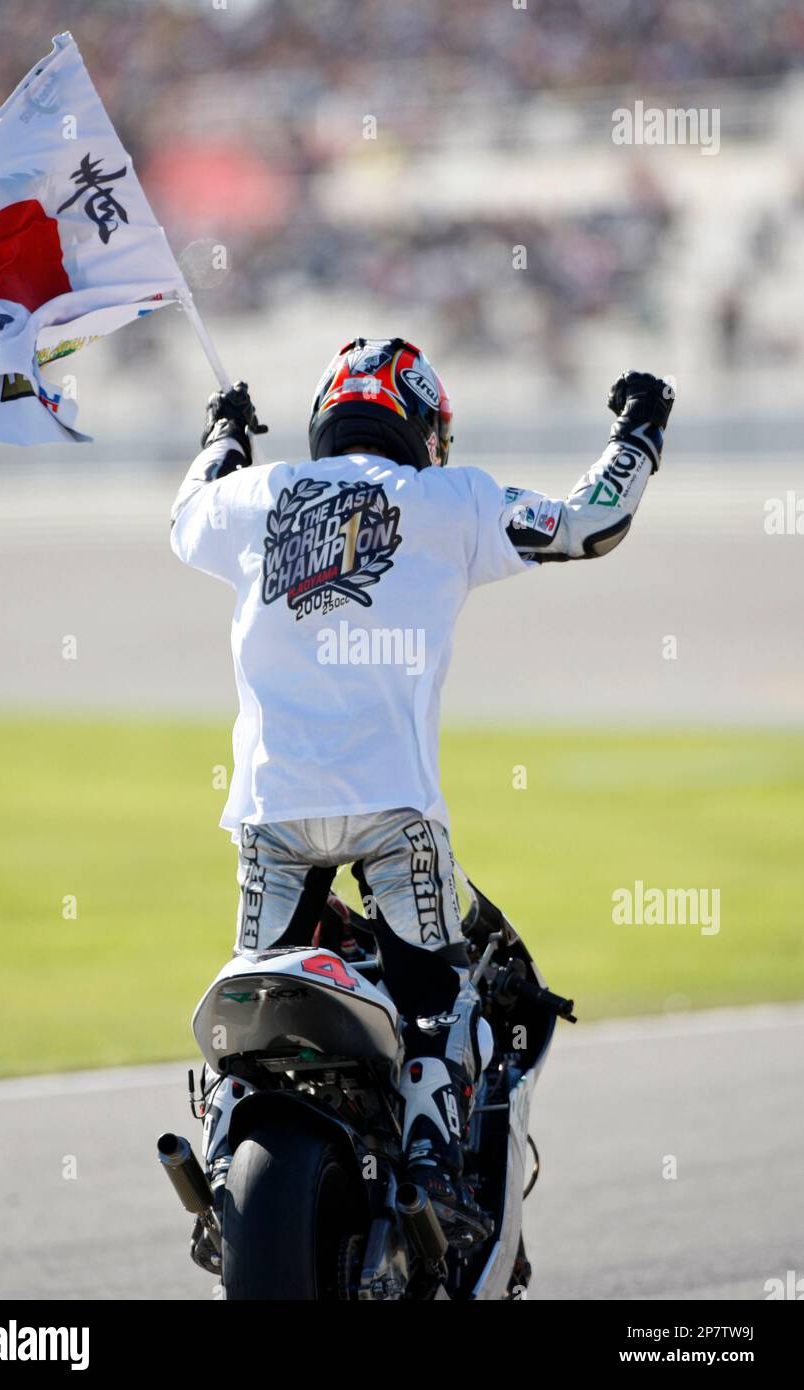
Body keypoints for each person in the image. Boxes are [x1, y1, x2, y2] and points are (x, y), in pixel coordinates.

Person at [170, 336, 674, 1236]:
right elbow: (590, 521)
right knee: (443, 1010)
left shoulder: (253, 496)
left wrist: (227, 430)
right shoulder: (451, 499)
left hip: (271, 816)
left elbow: (185, 512)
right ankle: (436, 1182)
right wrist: (638, 431)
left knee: (246, 1020)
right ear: (419, 423)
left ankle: (220, 1174)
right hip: (392, 815)